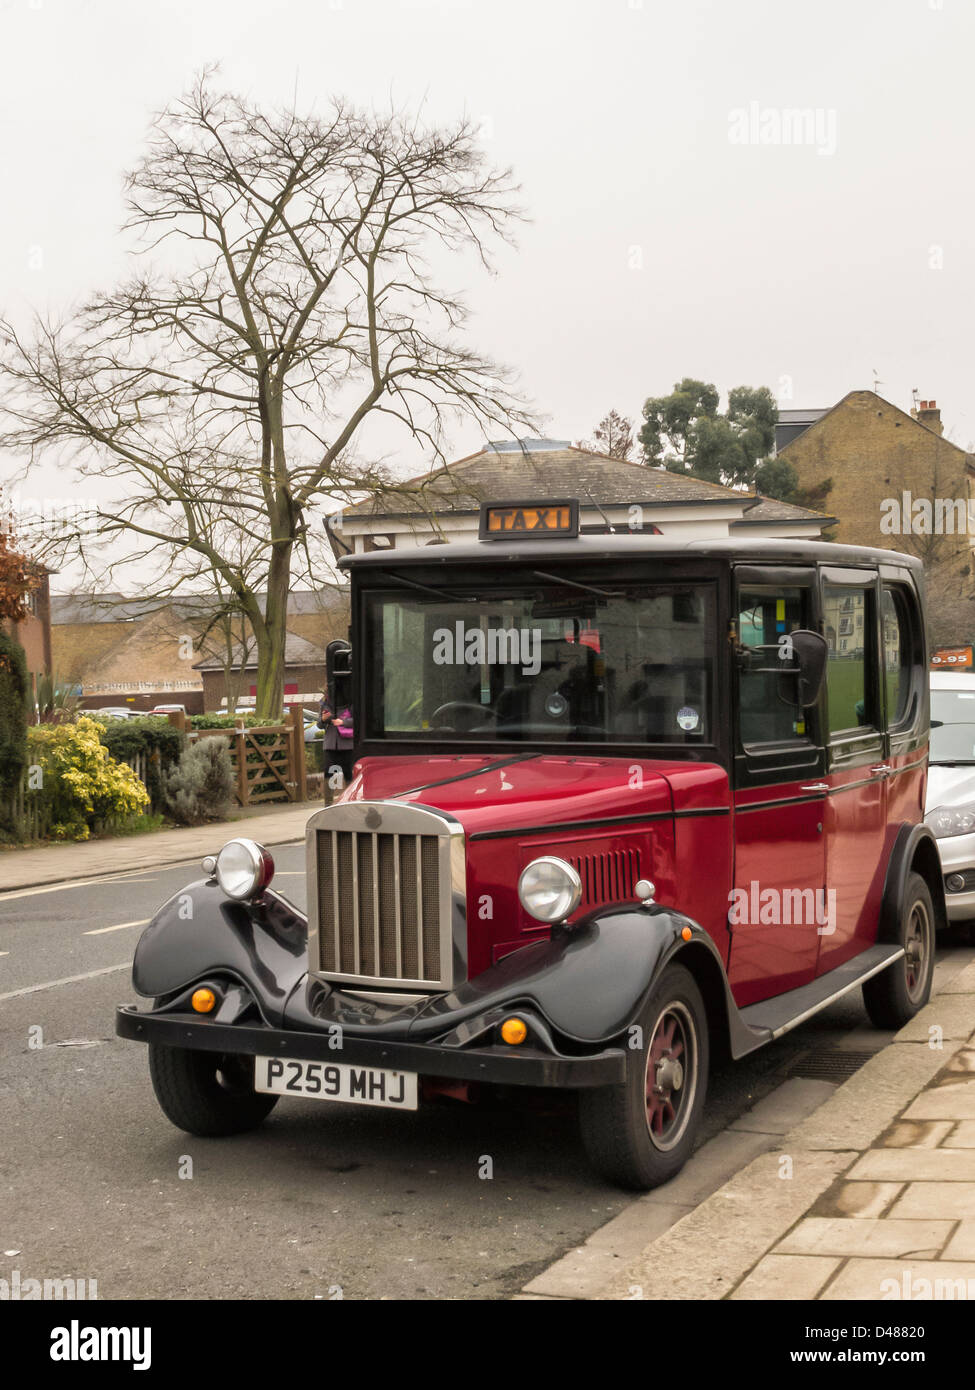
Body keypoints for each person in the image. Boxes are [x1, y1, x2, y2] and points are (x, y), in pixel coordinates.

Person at [318, 687, 355, 795]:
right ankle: (328, 802)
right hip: (330, 744)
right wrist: (323, 719)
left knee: (348, 773)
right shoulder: (324, 704)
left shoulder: (350, 704)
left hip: (347, 744)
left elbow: (359, 720)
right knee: (328, 773)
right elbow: (319, 725)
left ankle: (350, 799)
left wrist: (343, 722)